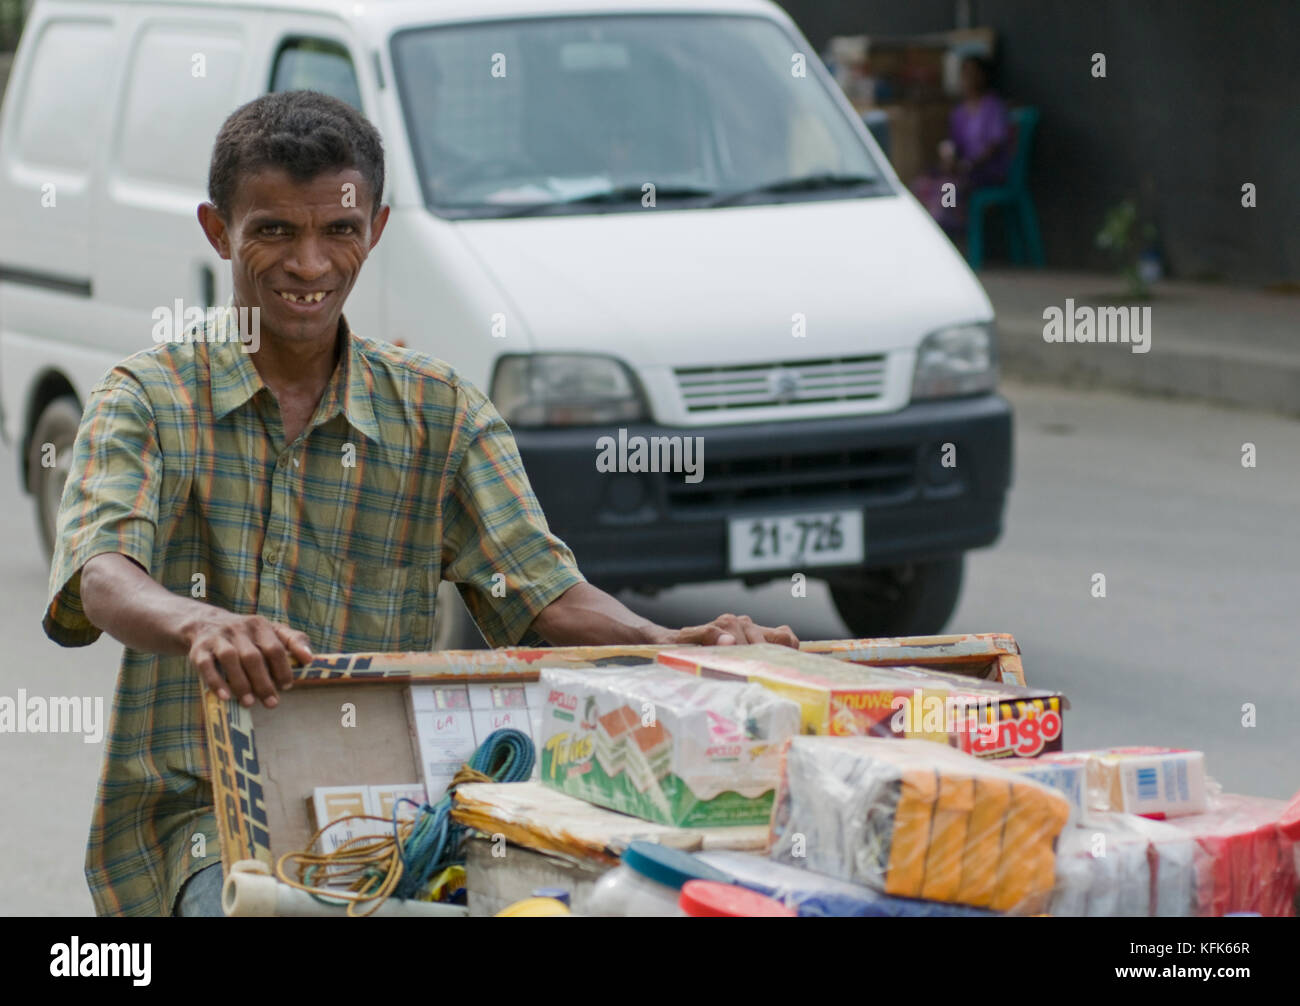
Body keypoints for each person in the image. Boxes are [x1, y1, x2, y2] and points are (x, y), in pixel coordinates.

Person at [43, 90, 799, 918]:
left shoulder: (443, 414)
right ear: (218, 231)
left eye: (339, 230)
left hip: (401, 816)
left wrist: (670, 642)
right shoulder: (146, 398)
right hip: (205, 816)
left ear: (376, 229)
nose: (308, 264)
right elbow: (100, 572)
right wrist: (201, 624)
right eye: (273, 232)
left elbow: (545, 593)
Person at [911, 55, 1012, 234]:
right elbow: (953, 143)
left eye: (974, 73)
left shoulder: (993, 106)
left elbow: (994, 144)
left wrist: (969, 165)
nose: (968, 78)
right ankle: (926, 231)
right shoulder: (959, 112)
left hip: (987, 173)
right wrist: (948, 156)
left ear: (984, 76)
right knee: (921, 184)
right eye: (965, 73)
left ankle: (950, 232)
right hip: (963, 172)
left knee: (948, 188)